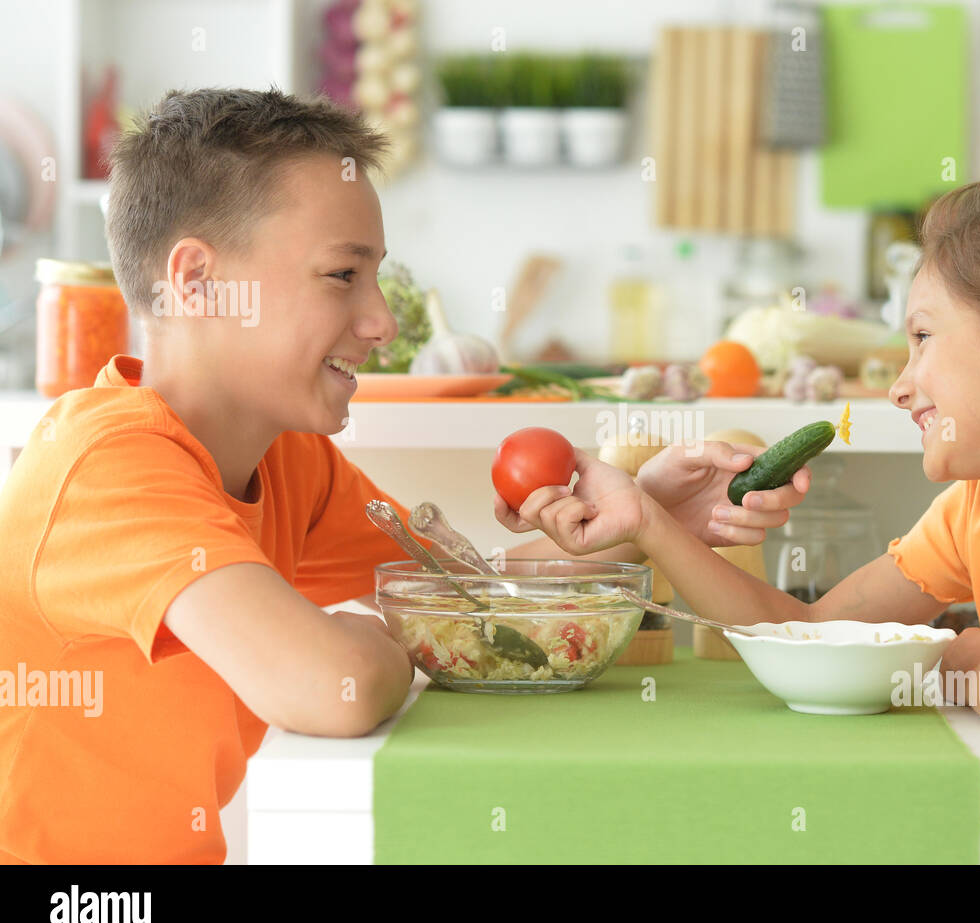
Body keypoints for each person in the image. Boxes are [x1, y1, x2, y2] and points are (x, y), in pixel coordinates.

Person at [0, 88, 808, 864]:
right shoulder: (106, 468)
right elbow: (339, 685)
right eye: (342, 275)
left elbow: (468, 604)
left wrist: (644, 520)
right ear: (198, 280)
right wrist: (381, 637)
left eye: (376, 276)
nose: (382, 320)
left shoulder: (287, 458)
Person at [500, 168, 980, 865]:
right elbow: (805, 637)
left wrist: (949, 657)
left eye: (921, 337)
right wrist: (648, 520)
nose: (901, 384)